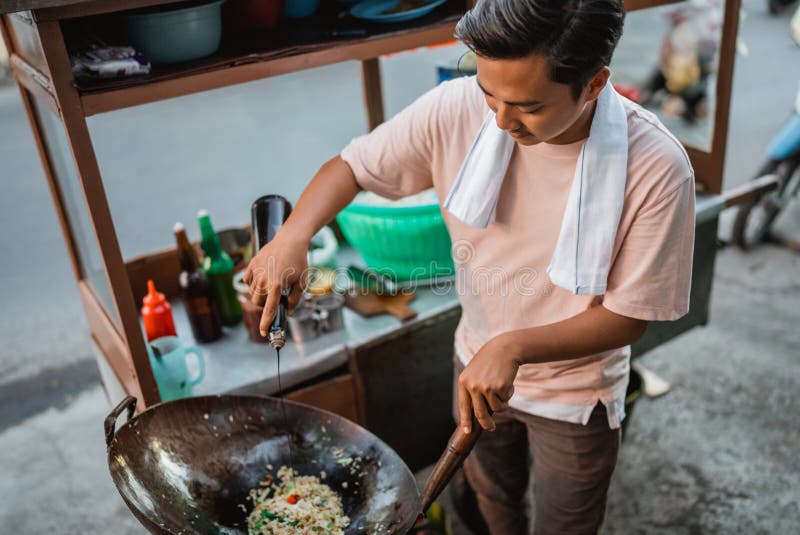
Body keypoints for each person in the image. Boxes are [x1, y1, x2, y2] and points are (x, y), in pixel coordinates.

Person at [245, 1, 695, 533]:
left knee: (566, 523)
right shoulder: (457, 108)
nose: (500, 121)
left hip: (576, 392)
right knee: (491, 500)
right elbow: (351, 168)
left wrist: (513, 347)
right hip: (476, 363)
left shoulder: (655, 168)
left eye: (527, 106)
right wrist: (293, 236)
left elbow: (628, 317)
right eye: (489, 93)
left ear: (594, 84)